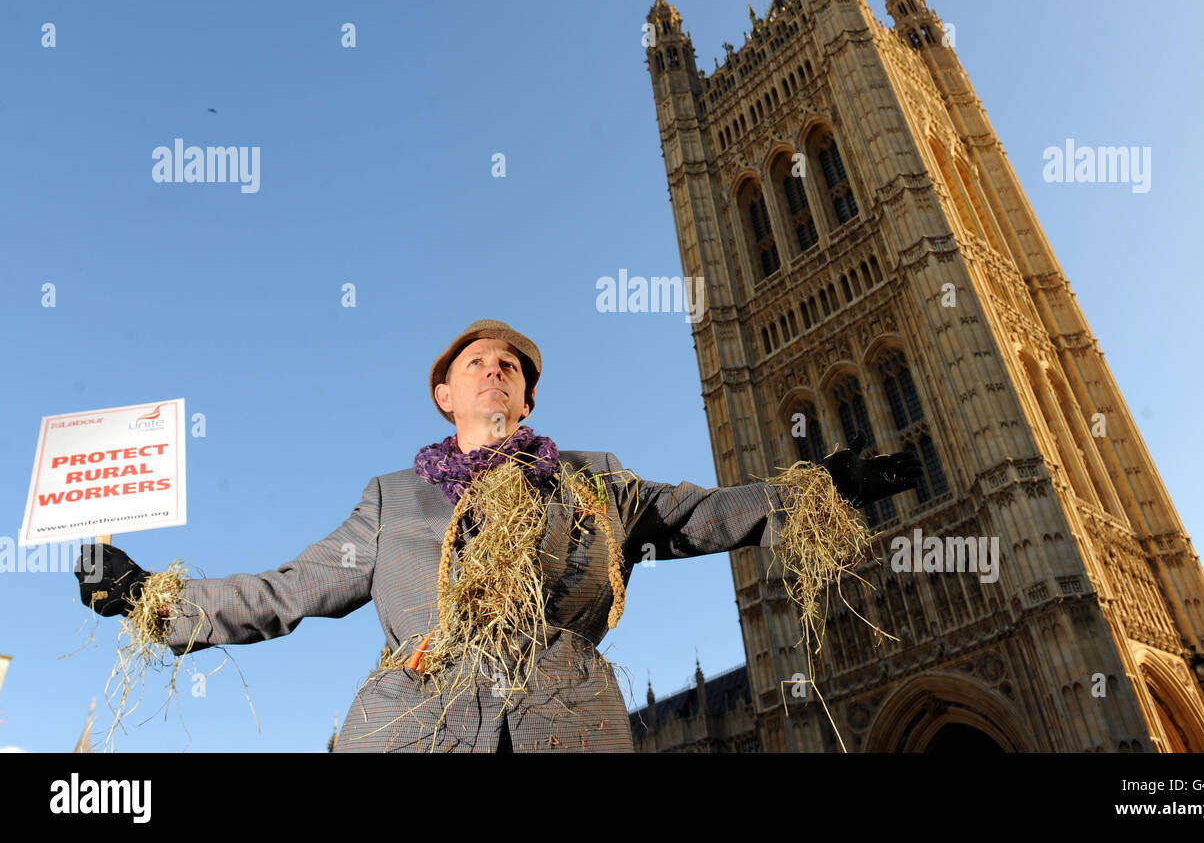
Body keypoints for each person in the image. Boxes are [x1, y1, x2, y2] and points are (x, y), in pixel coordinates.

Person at [76, 318, 920, 752]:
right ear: (444, 394)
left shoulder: (594, 481)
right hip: (417, 729)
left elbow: (700, 513)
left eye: (510, 364)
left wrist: (822, 488)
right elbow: (287, 590)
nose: (496, 367)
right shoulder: (394, 500)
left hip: (568, 726)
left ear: (527, 398)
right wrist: (153, 598)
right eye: (476, 361)